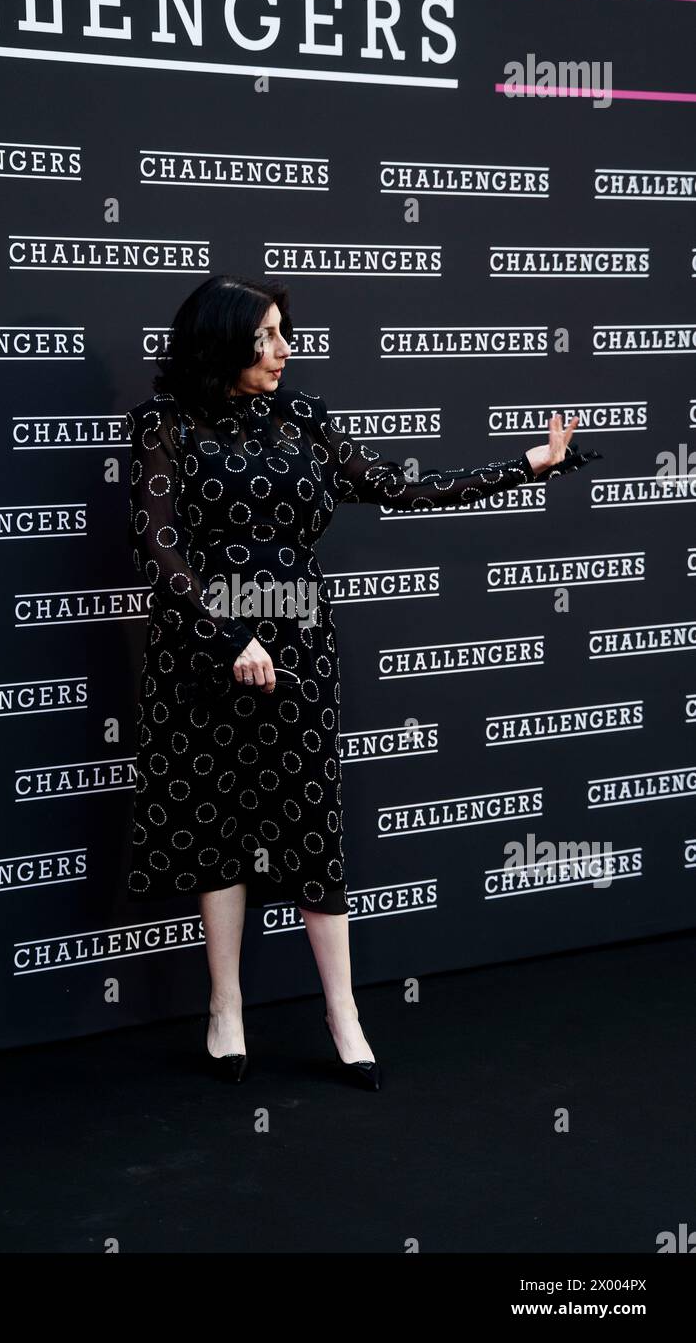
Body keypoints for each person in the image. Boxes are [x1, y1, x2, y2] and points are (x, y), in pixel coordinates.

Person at [126, 274, 602, 1089]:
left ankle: (342, 1013)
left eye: (285, 332)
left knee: (310, 823)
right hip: (207, 651)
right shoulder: (164, 425)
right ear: (219, 342)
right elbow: (157, 548)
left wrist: (527, 466)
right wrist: (227, 635)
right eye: (266, 336)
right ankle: (225, 1010)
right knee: (218, 823)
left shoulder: (302, 417)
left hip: (302, 646)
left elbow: (400, 488)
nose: (285, 349)